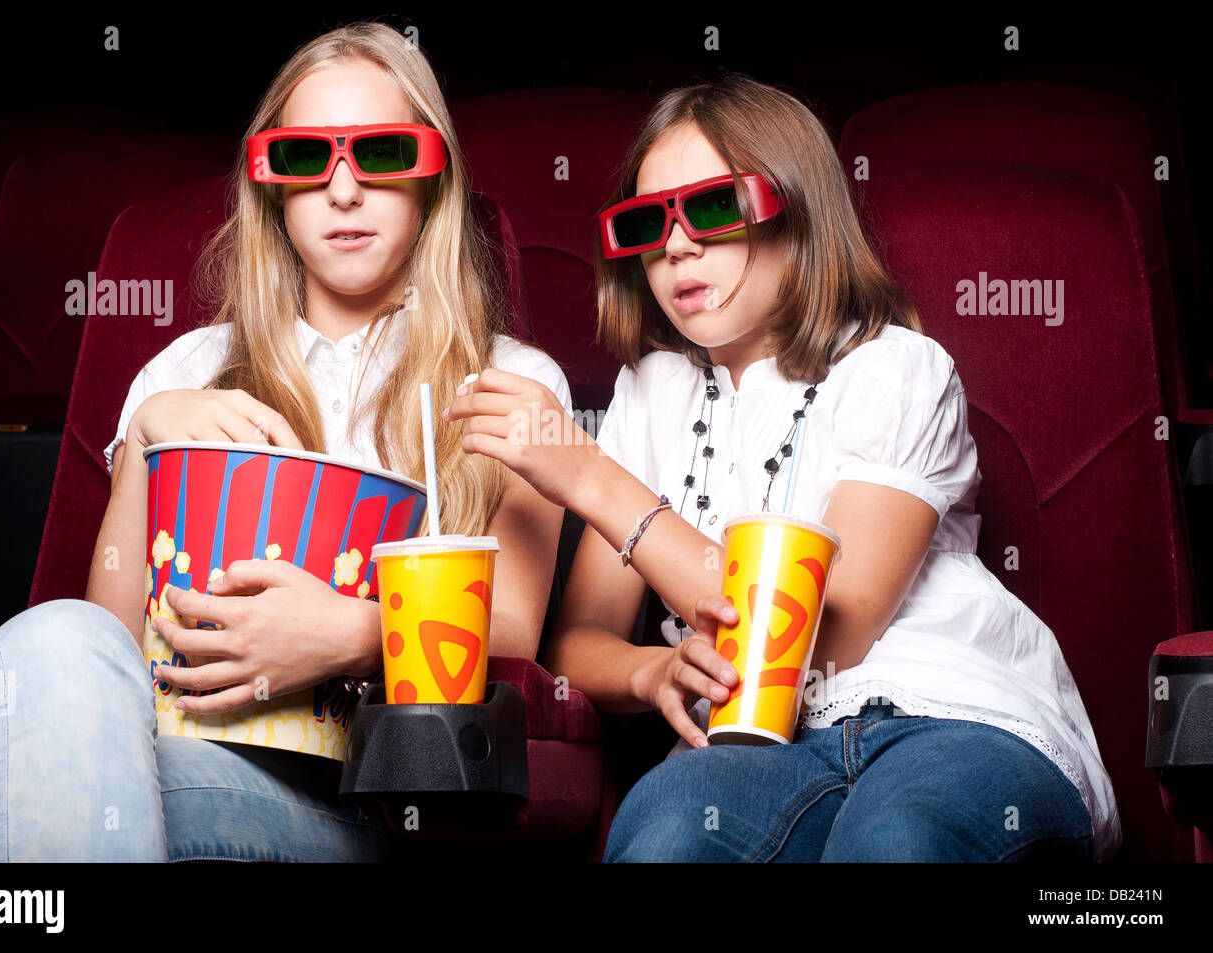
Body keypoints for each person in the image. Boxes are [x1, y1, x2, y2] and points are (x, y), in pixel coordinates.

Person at [0, 22, 570, 862]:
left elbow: (511, 623)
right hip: (135, 735)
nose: (342, 189)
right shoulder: (185, 368)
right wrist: (147, 440)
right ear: (272, 185)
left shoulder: (509, 381)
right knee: (52, 651)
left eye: (380, 154)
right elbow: (105, 647)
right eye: (305, 159)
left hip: (344, 795)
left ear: (433, 174)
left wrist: (347, 631)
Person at [442, 73, 1120, 861]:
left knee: (896, 841)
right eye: (645, 223)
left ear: (798, 212)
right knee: (663, 839)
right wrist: (654, 670)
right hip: (754, 748)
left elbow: (834, 631)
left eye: (715, 208)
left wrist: (593, 479)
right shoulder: (653, 392)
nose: (677, 245)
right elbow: (578, 642)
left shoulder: (897, 368)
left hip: (949, 716)